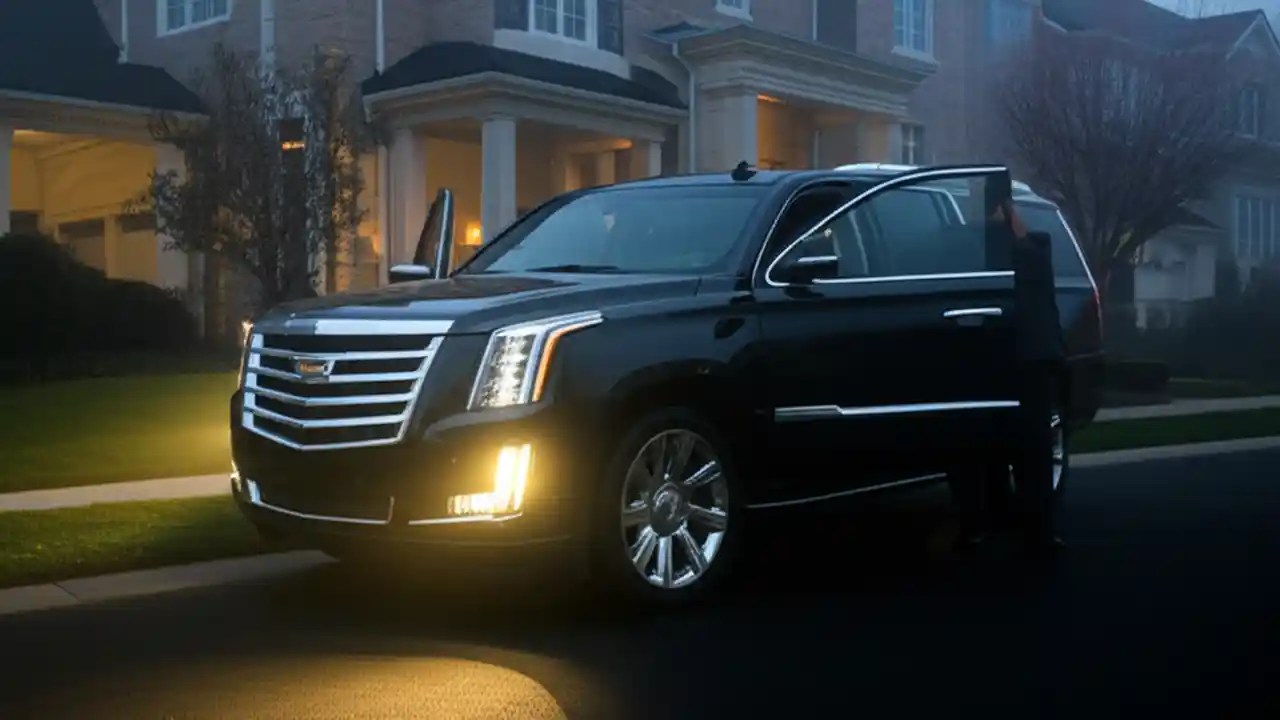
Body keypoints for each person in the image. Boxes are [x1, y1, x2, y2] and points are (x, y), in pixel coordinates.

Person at [953, 176, 1066, 561]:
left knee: (1007, 450)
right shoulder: (1022, 247)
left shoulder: (1011, 248)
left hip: (1011, 358)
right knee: (1004, 452)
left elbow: (1029, 254)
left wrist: (1003, 213)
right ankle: (1016, 527)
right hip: (1010, 357)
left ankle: (998, 527)